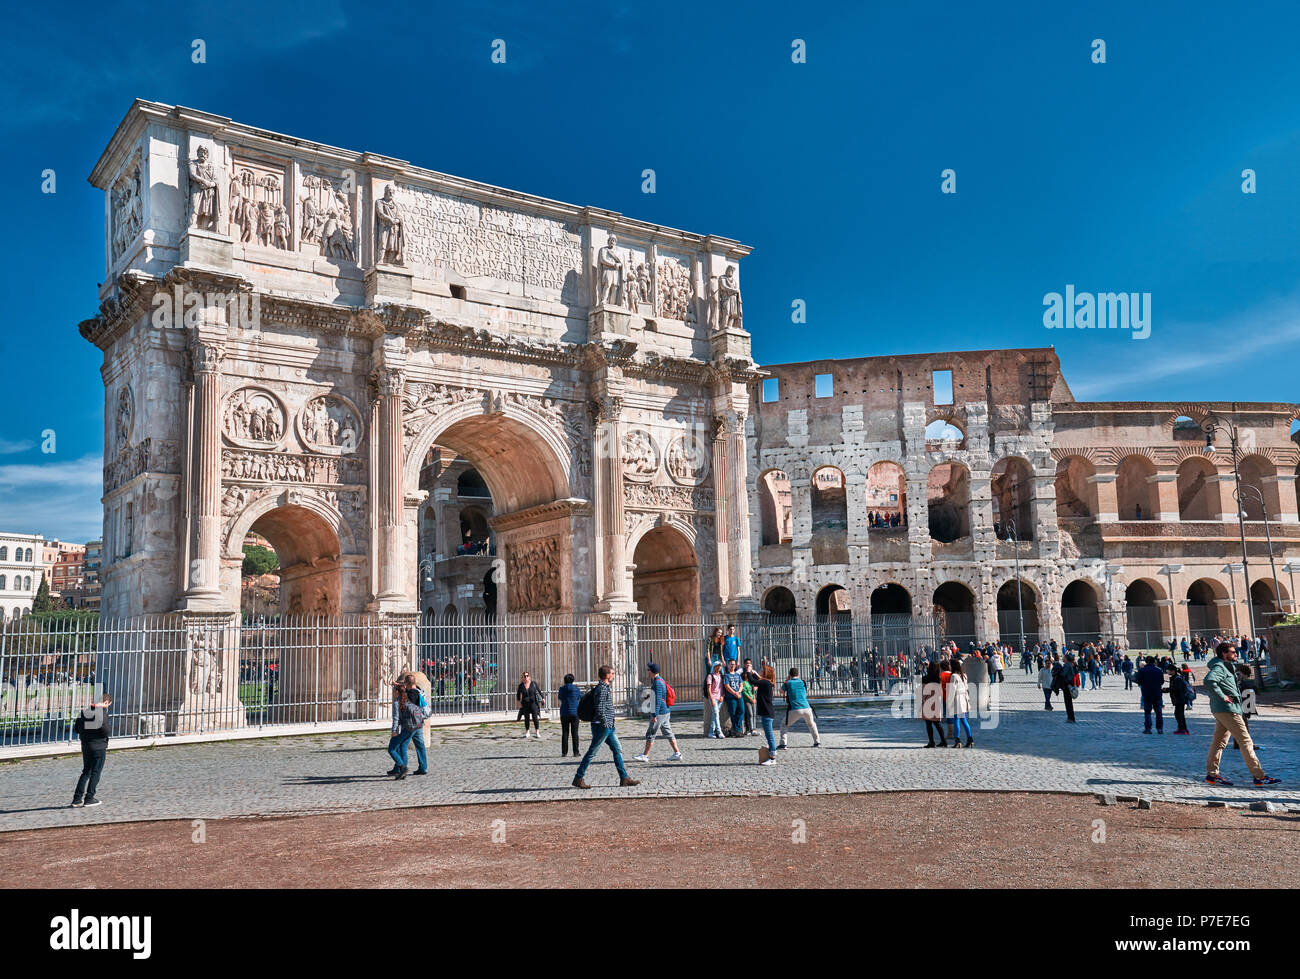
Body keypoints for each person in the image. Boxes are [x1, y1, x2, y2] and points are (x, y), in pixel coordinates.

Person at [1203, 643, 1278, 787]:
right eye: (1233, 652)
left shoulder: (1224, 666)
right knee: (1246, 742)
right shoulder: (1220, 667)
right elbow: (1209, 680)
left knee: (1219, 743)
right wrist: (1222, 696)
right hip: (1228, 709)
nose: (1236, 654)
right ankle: (1259, 776)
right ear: (1224, 654)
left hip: (1223, 710)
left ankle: (1212, 775)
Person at [572, 665, 640, 789]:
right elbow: (600, 708)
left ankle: (624, 778)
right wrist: (606, 723)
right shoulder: (602, 689)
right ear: (607, 675)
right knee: (592, 752)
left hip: (608, 727)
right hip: (602, 727)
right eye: (612, 673)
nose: (613, 675)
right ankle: (578, 777)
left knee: (617, 749)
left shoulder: (604, 688)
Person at [632, 663, 682, 762]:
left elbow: (658, 700)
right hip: (665, 712)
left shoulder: (657, 683)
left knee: (651, 733)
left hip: (660, 713)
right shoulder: (659, 680)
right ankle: (677, 753)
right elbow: (657, 696)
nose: (648, 671)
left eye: (648, 670)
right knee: (668, 733)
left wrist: (654, 715)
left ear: (652, 671)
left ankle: (645, 756)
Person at [71, 694, 113, 807]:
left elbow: (76, 729)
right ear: (107, 702)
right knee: (96, 772)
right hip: (98, 746)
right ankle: (89, 798)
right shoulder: (102, 713)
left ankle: (77, 799)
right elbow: (105, 731)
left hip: (86, 745)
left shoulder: (84, 712)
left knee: (86, 772)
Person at [387, 678, 429, 780]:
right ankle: (422, 767)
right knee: (419, 746)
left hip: (409, 725)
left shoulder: (408, 696)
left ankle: (402, 768)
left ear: (407, 684)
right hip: (418, 722)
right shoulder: (418, 691)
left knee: (401, 747)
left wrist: (394, 731)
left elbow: (396, 718)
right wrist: (397, 684)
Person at [778, 667, 821, 748]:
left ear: (789, 675)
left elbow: (780, 691)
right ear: (798, 674)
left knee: (784, 724)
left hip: (795, 709)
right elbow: (806, 691)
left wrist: (787, 680)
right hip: (807, 707)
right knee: (812, 724)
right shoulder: (803, 682)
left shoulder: (788, 683)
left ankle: (783, 744)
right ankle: (817, 742)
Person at [746, 669, 779, 765]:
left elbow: (753, 681)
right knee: (769, 735)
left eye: (761, 671)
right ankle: (771, 755)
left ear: (765, 673)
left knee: (770, 736)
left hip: (767, 713)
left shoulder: (765, 682)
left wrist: (748, 672)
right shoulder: (766, 682)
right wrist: (753, 673)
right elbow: (757, 679)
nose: (759, 671)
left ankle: (772, 758)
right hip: (767, 712)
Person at [920, 661, 947, 747]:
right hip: (936, 702)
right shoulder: (939, 679)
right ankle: (944, 741)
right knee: (937, 723)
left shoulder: (925, 678)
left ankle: (931, 742)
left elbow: (923, 692)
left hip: (928, 701)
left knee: (928, 723)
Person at [1135, 656, 1165, 734]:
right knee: (1158, 712)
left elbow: (1138, 681)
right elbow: (1162, 681)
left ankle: (1148, 728)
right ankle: (1160, 728)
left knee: (1147, 712)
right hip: (1157, 693)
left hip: (1147, 693)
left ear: (1146, 662)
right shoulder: (1159, 670)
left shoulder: (1142, 670)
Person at [948, 659, 973, 748]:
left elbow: (952, 691)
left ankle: (957, 740)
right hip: (964, 698)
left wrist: (949, 703)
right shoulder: (964, 675)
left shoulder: (953, 676)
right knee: (964, 720)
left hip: (957, 699)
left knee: (956, 720)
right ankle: (970, 739)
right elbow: (966, 688)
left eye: (950, 665)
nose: (949, 666)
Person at [557, 673, 582, 757]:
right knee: (575, 733)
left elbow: (560, 697)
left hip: (564, 712)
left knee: (565, 732)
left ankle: (564, 752)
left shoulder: (562, 689)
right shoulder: (577, 689)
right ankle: (576, 752)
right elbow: (579, 697)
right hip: (575, 712)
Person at [516, 671, 543, 739]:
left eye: (527, 676)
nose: (526, 677)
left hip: (533, 703)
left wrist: (543, 698)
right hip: (525, 704)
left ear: (529, 676)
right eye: (524, 676)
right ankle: (527, 732)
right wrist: (519, 703)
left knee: (535, 718)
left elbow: (539, 691)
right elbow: (518, 695)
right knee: (526, 718)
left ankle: (537, 732)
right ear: (522, 677)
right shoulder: (521, 685)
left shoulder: (533, 684)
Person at [1166, 665, 1192, 735]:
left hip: (1180, 699)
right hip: (1179, 699)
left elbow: (1177, 689)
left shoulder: (1177, 678)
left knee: (1178, 714)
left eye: (1168, 670)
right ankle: (1184, 729)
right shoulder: (1176, 678)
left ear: (1173, 671)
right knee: (1180, 714)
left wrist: (1166, 690)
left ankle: (1182, 729)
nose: (1167, 671)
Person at [722, 659, 745, 736]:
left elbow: (741, 684)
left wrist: (738, 692)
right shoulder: (726, 675)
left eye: (734, 664)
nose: (733, 665)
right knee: (733, 713)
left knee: (741, 711)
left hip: (739, 695)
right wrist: (734, 693)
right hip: (731, 696)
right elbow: (726, 686)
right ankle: (736, 730)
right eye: (731, 664)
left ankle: (737, 728)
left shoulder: (737, 675)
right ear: (728, 665)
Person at [1054, 653, 1078, 723]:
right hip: (1068, 684)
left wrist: (1058, 672)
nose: (1063, 658)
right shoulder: (1069, 664)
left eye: (1064, 657)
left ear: (1066, 659)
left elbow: (1063, 674)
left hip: (1067, 685)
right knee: (1068, 702)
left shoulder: (1067, 665)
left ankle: (1070, 718)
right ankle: (1071, 717)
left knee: (1068, 702)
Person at [705, 661, 726, 738]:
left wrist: (722, 696)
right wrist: (711, 699)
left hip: (720, 698)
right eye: (717, 666)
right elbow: (709, 689)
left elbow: (722, 687)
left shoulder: (721, 676)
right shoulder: (710, 676)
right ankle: (719, 732)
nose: (719, 667)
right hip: (713, 698)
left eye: (720, 666)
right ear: (714, 667)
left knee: (715, 715)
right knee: (716, 714)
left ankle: (711, 732)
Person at [741, 670, 756, 736]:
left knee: (754, 714)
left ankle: (754, 728)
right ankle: (751, 728)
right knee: (750, 714)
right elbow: (744, 692)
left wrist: (754, 698)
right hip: (747, 700)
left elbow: (753, 691)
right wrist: (751, 699)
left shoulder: (751, 682)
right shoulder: (743, 683)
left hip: (753, 699)